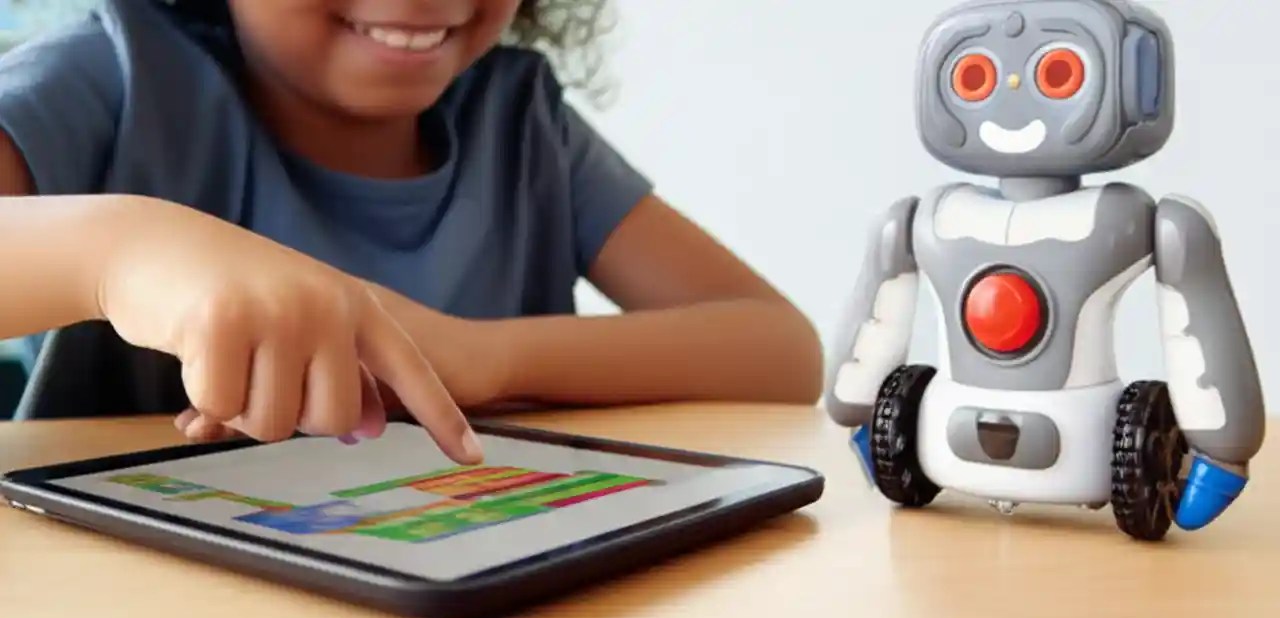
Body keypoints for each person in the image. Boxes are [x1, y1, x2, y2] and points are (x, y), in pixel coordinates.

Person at [0, 0, 823, 464]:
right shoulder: (110, 75)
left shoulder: (521, 123)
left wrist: (477, 357)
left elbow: (782, 349)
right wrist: (118, 250)